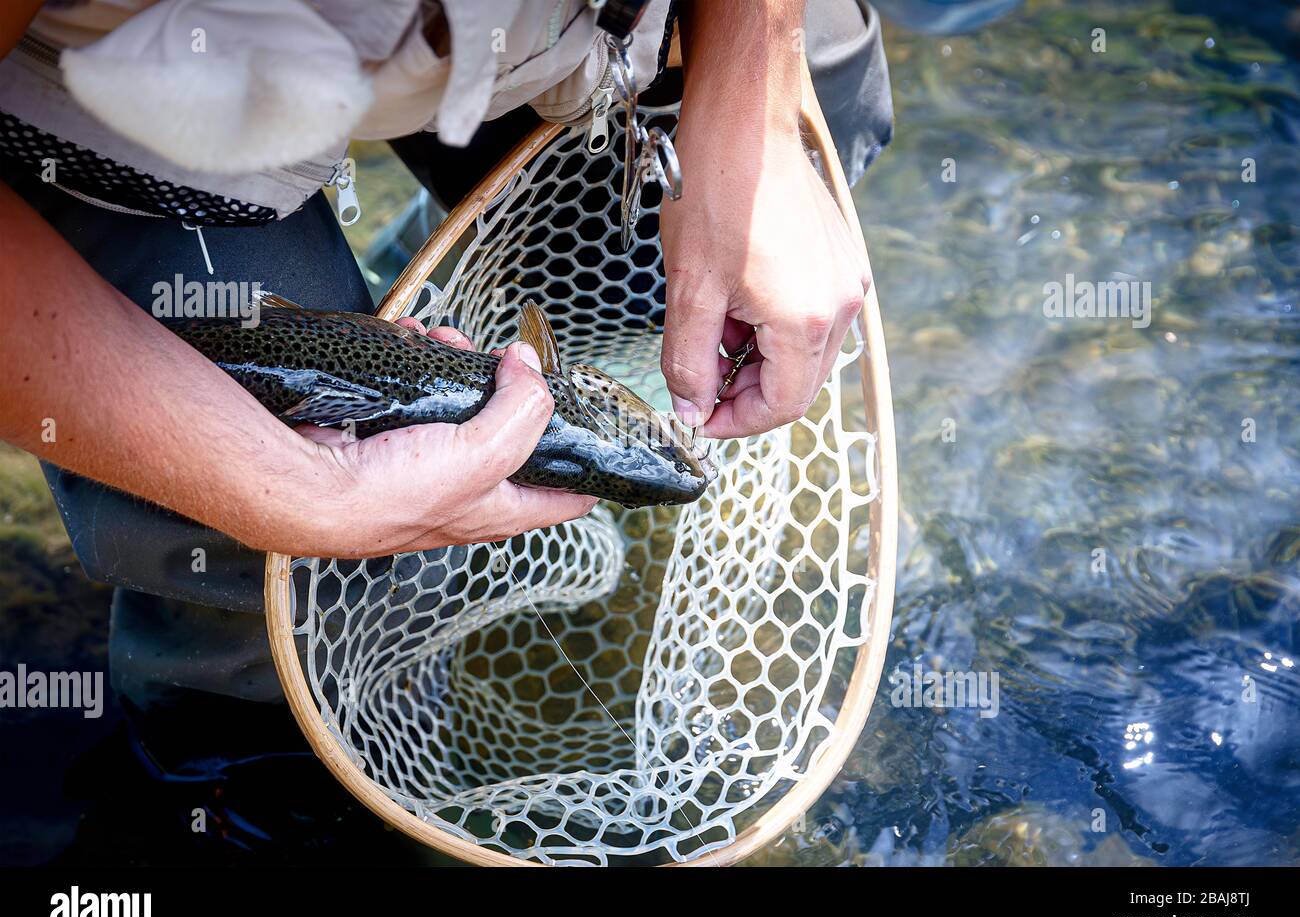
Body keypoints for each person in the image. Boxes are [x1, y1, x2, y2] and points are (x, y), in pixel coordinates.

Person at [0, 0, 894, 710]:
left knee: (819, 113)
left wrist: (758, 106)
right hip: (138, 96)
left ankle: (397, 284)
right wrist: (297, 498)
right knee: (294, 570)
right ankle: (226, 762)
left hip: (531, 39)